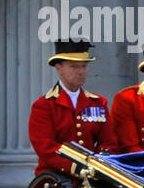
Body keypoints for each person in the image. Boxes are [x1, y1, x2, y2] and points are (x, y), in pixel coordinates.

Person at [27, 39, 115, 174]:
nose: (80, 72)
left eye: (84, 66)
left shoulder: (98, 103)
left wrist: (98, 166)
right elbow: (46, 148)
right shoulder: (44, 106)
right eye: (74, 66)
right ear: (59, 68)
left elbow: (108, 142)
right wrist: (76, 168)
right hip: (56, 177)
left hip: (94, 174)